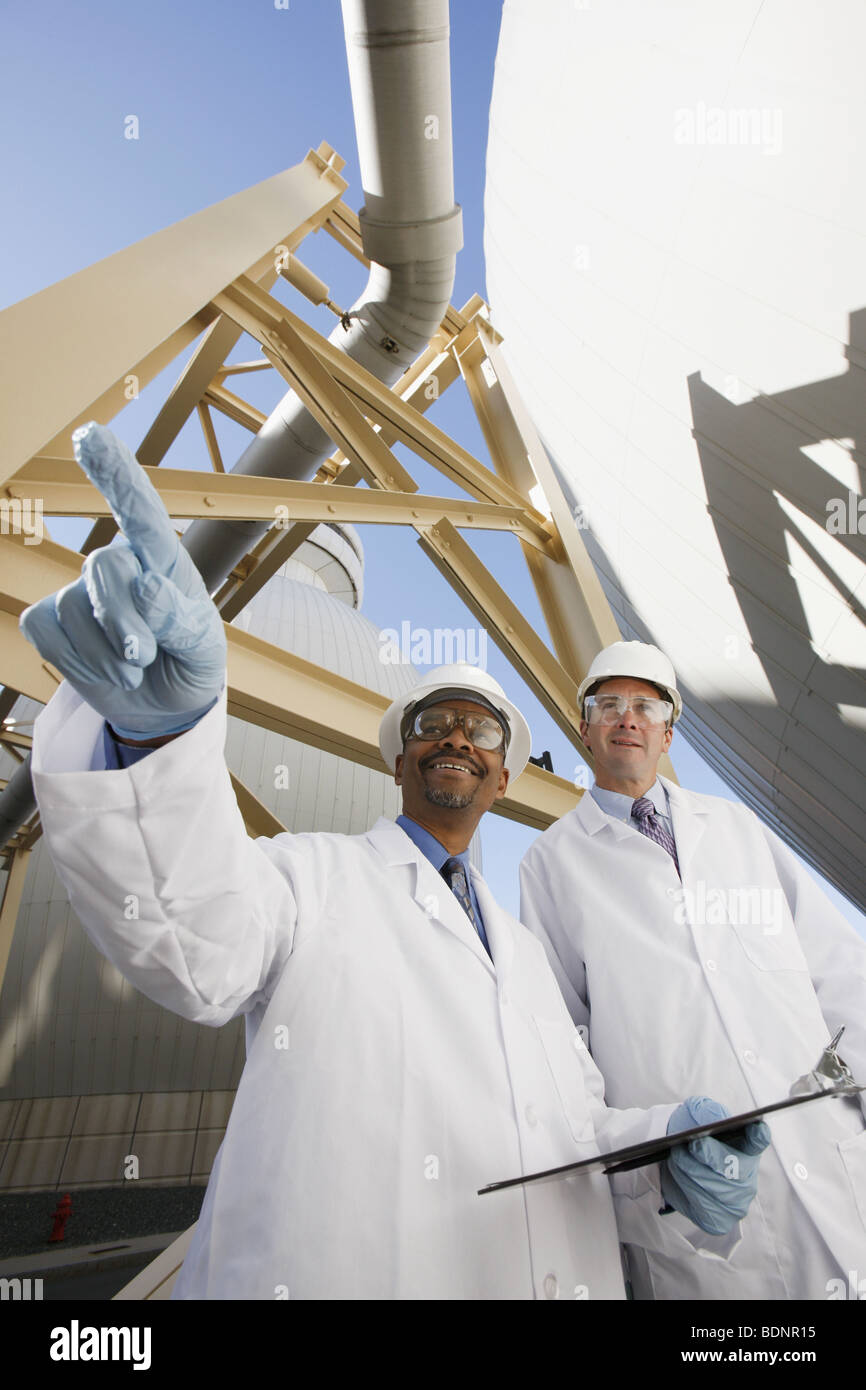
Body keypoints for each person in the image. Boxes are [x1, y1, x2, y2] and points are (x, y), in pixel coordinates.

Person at [21, 426, 766, 1300]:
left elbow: (568, 1132)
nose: (456, 736)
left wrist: (662, 1151)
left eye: (481, 729)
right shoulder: (305, 882)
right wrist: (153, 741)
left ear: (504, 776)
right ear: (399, 760)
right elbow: (196, 941)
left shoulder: (525, 958)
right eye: (432, 724)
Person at [519, 639, 866, 1301]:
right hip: (705, 1226)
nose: (628, 718)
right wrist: (652, 1151)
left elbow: (841, 971)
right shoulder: (550, 867)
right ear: (584, 726)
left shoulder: (737, 828)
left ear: (668, 730)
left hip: (835, 1169)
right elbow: (562, 1066)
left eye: (646, 706)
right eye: (609, 704)